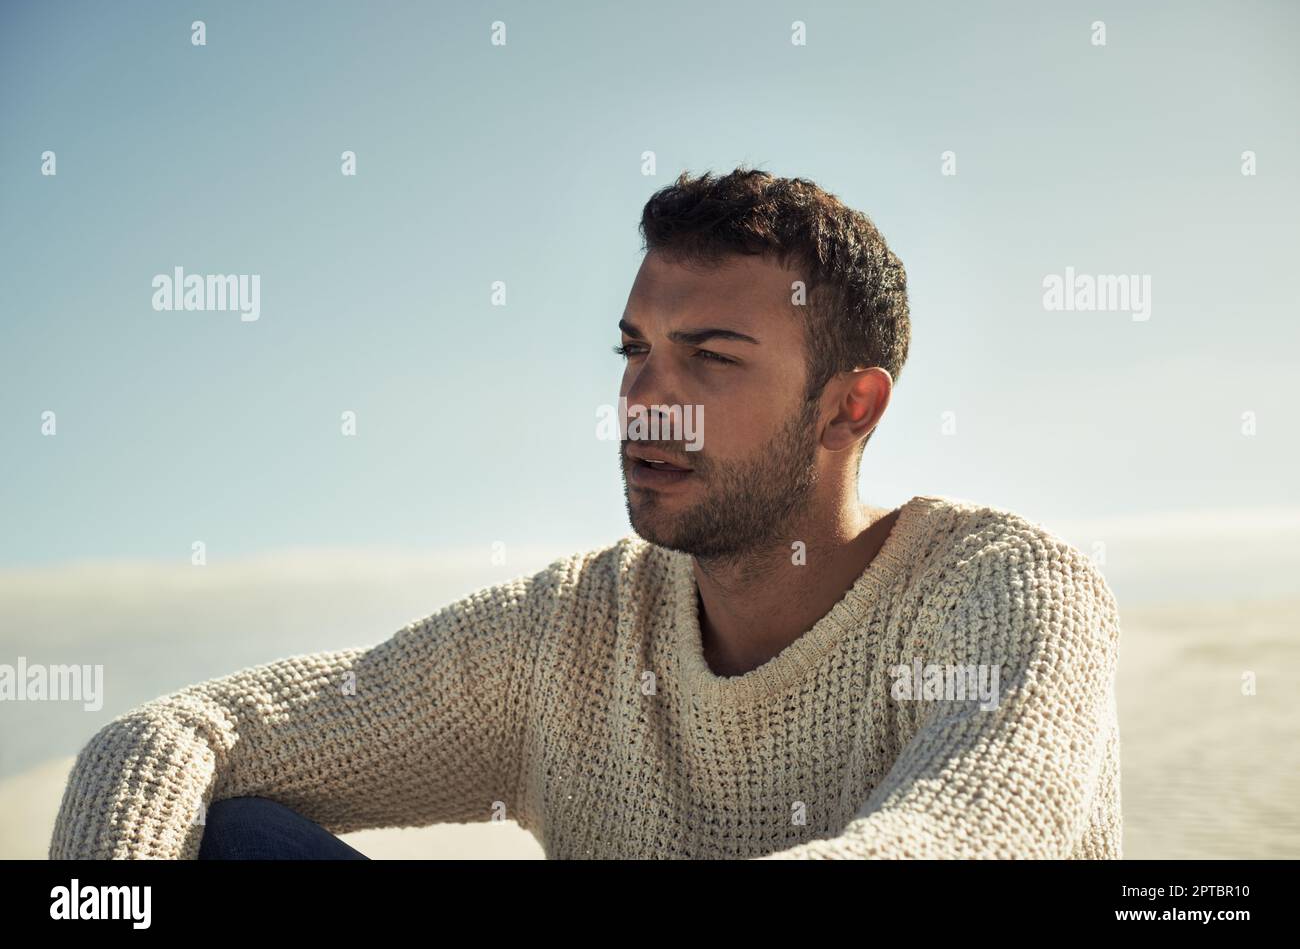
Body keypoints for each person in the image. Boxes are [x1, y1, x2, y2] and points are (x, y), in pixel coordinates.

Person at [49, 168, 1121, 860]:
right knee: (234, 840)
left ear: (849, 406)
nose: (645, 399)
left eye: (709, 357)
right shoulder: (575, 629)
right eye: (634, 351)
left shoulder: (1005, 588)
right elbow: (177, 735)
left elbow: (968, 834)